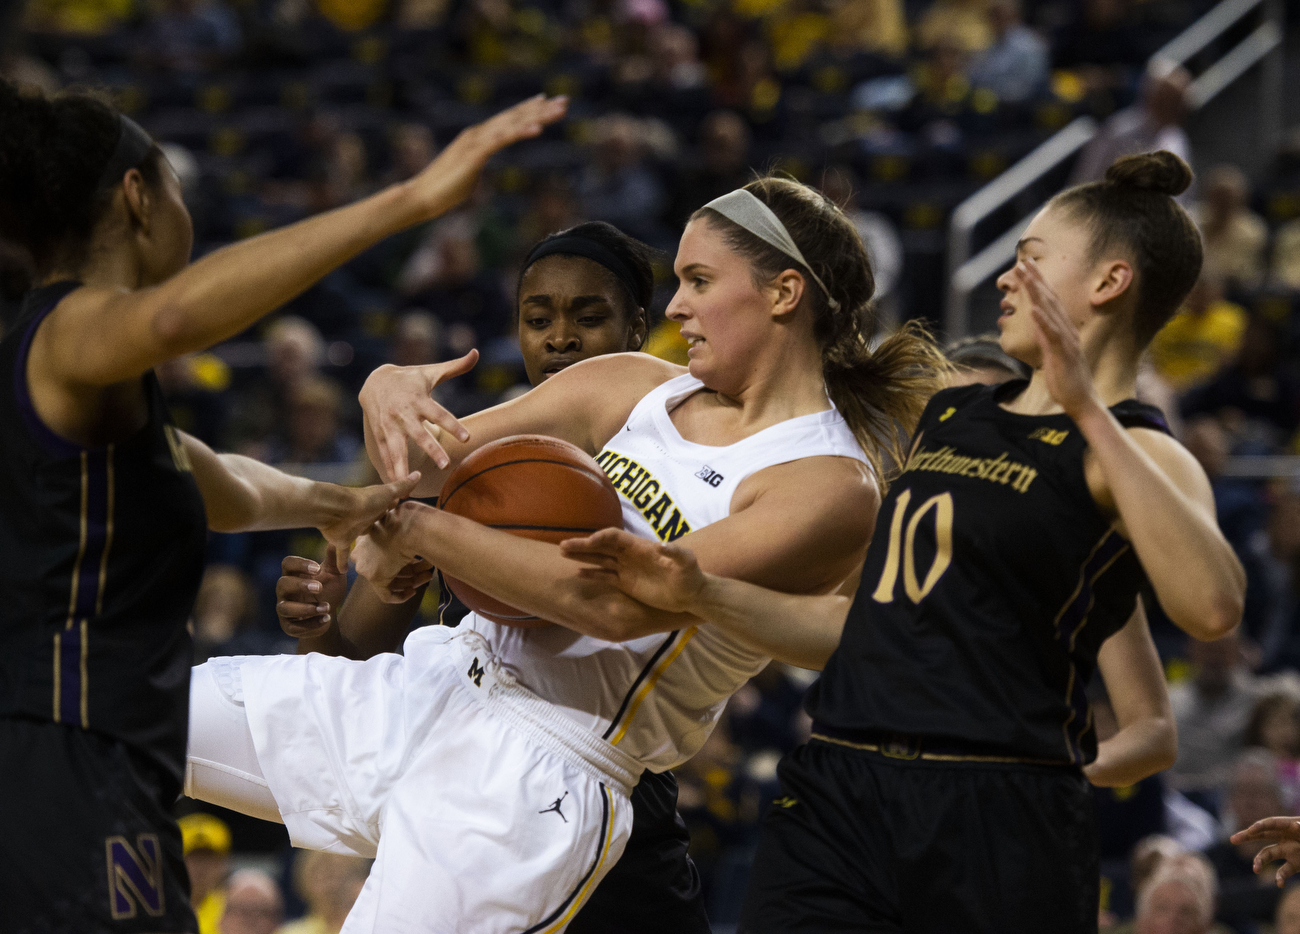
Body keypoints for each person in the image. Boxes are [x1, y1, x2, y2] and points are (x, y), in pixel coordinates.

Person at [183, 176, 950, 931]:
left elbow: (612, 606)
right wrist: (387, 396)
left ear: (783, 293)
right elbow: (426, 467)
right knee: (118, 713)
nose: (677, 304)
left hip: (544, 773)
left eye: (699, 280)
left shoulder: (826, 484)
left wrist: (422, 532)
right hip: (437, 680)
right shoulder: (633, 385)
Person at [559, 151, 1246, 932]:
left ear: (1108, 283)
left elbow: (1213, 605)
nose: (1005, 279)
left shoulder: (1138, 451)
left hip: (997, 804)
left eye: (1030, 260)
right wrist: (705, 594)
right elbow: (864, 626)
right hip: (841, 784)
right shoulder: (956, 417)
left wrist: (1087, 408)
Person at [0, 81, 568, 932]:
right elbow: (176, 317)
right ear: (138, 197)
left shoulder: (80, 393)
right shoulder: (66, 335)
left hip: (85, 757)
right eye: (180, 189)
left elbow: (218, 483)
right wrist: (410, 200)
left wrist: (335, 503)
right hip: (64, 752)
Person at [275, 221, 712, 934]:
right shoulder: (478, 475)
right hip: (467, 801)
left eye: (588, 316)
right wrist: (318, 626)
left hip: (610, 807)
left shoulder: (686, 468)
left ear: (639, 326)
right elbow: (351, 664)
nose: (559, 338)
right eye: (538, 319)